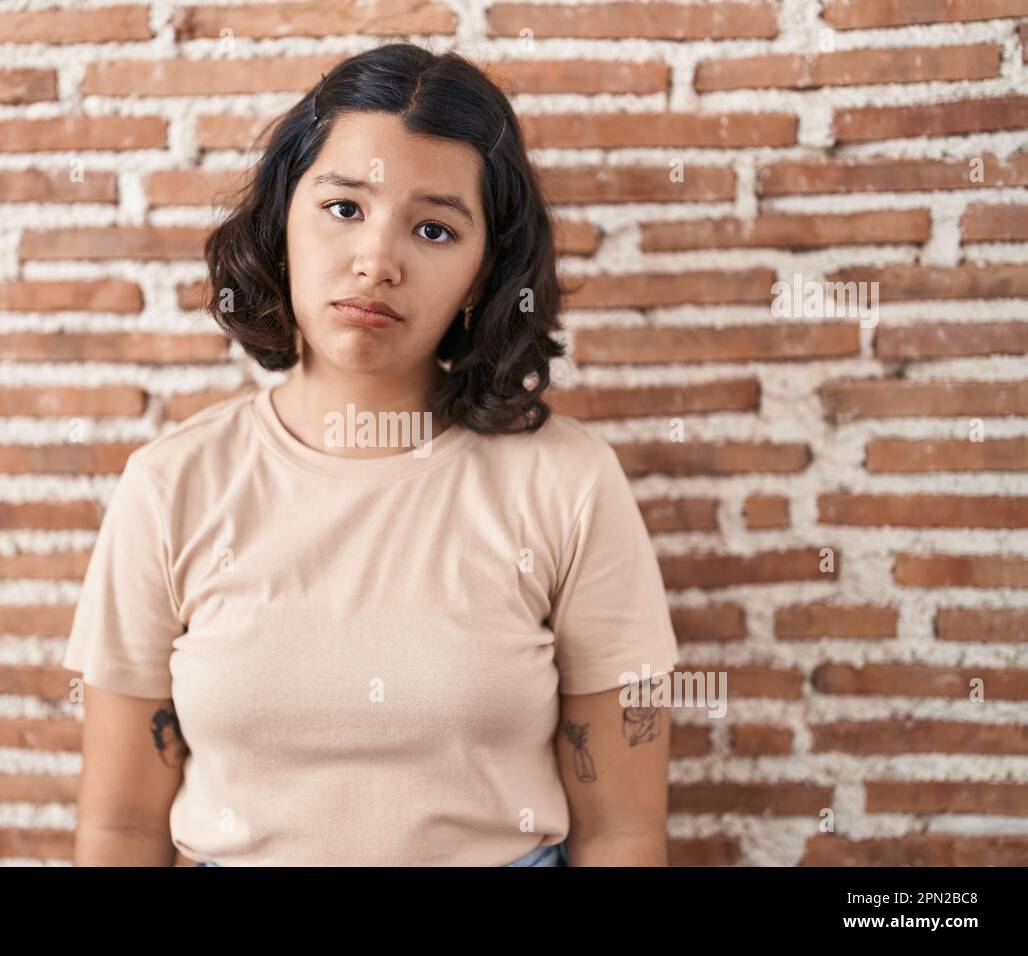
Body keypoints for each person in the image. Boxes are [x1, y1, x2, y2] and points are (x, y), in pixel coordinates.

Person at [62, 42, 679, 867]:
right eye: (344, 208)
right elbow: (122, 830)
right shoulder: (171, 486)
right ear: (282, 217)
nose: (377, 262)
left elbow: (621, 831)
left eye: (433, 228)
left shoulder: (568, 482)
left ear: (485, 268)